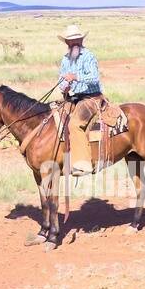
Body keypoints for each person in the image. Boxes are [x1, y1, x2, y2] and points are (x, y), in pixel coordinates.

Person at [57, 24, 104, 176]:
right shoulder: (65, 60)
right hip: (73, 98)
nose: (74, 42)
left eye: (77, 39)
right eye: (71, 41)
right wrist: (64, 86)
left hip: (91, 98)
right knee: (54, 119)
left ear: (81, 40)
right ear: (66, 43)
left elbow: (94, 78)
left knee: (74, 124)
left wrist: (75, 77)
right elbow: (62, 80)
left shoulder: (88, 56)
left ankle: (83, 164)